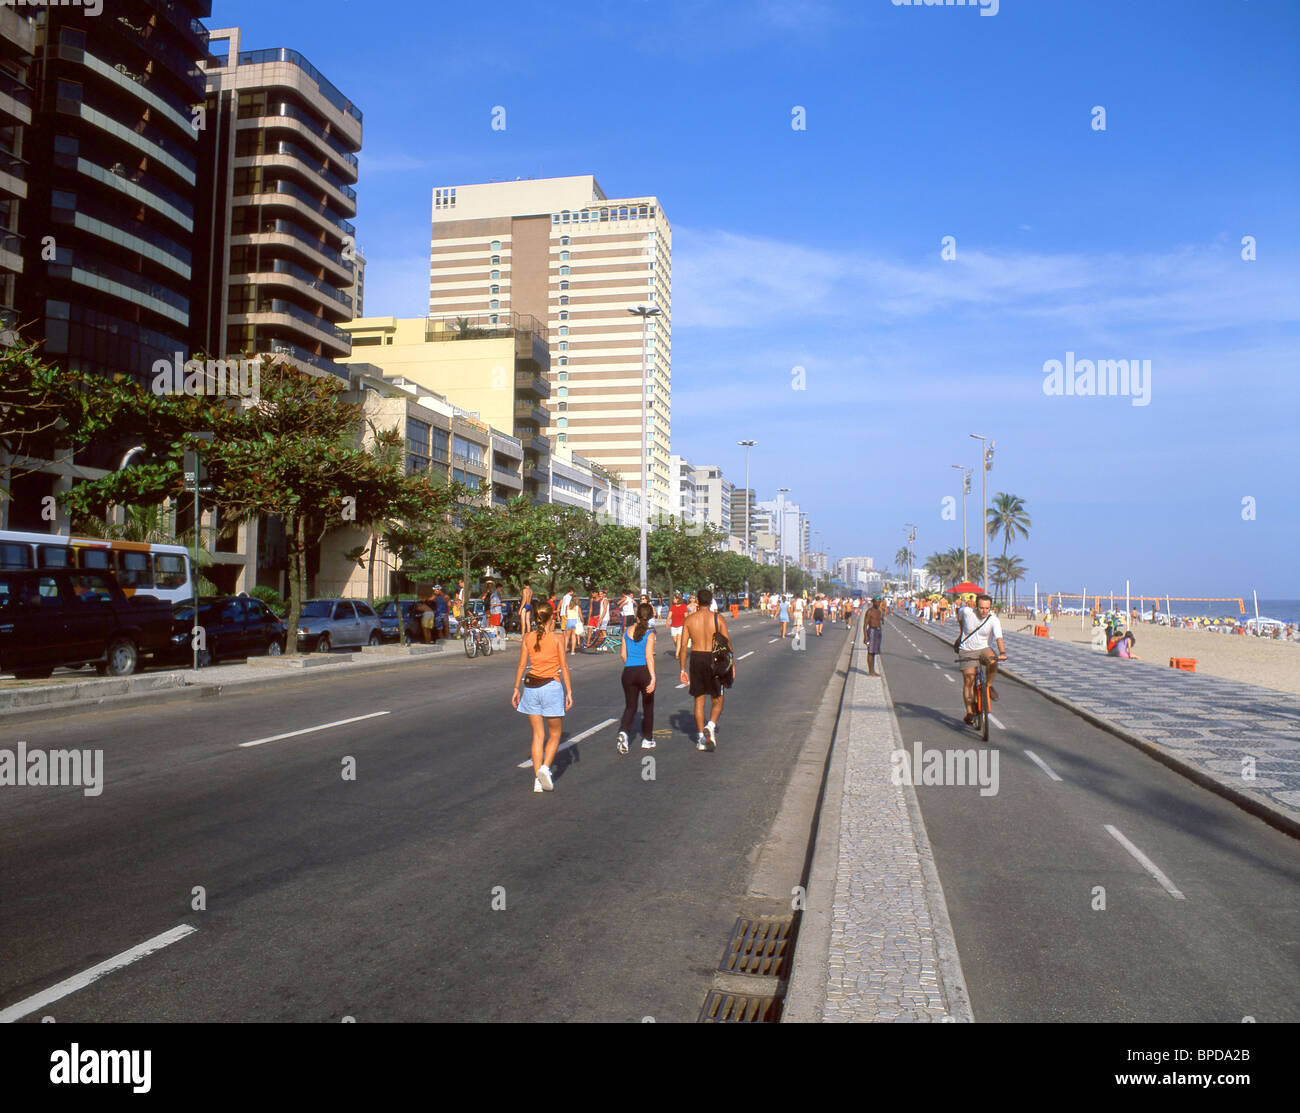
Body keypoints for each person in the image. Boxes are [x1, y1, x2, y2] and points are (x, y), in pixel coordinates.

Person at [511, 601, 573, 793]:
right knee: (555, 734)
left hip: (530, 688)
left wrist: (515, 688)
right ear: (551, 617)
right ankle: (545, 768)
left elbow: (522, 665)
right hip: (551, 687)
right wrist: (569, 691)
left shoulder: (528, 637)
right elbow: (563, 666)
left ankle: (538, 779)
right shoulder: (557, 638)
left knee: (538, 735)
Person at [678, 587, 734, 751]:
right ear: (711, 601)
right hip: (714, 659)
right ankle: (710, 725)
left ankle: (701, 738)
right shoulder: (718, 619)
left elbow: (683, 647)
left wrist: (682, 669)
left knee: (699, 699)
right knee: (718, 699)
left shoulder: (689, 620)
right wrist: (732, 665)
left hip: (696, 658)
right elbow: (727, 644)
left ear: (696, 602)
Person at [953, 593, 1007, 725]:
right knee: (969, 680)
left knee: (993, 661)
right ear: (976, 606)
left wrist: (1002, 652)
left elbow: (999, 638)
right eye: (982, 608)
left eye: (987, 608)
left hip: (984, 648)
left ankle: (988, 686)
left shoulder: (993, 619)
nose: (984, 611)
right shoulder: (966, 612)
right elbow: (958, 613)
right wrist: (961, 632)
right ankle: (970, 712)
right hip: (968, 650)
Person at [617, 602, 658, 754]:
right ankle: (647, 739)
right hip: (644, 672)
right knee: (648, 707)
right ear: (650, 617)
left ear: (637, 616)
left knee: (630, 706)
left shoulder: (627, 631)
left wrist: (630, 664)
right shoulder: (650, 634)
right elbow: (649, 656)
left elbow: (622, 654)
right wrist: (653, 677)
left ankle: (623, 731)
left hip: (628, 672)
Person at [863, 596, 884, 676]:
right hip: (871, 631)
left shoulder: (878, 611)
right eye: (876, 602)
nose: (878, 603)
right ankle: (870, 671)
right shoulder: (870, 611)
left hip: (877, 631)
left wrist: (880, 631)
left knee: (874, 652)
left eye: (879, 602)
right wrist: (865, 637)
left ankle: (873, 671)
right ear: (873, 602)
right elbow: (865, 625)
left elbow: (879, 621)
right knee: (870, 652)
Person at [668, 591, 687, 656]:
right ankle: (679, 649)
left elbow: (686, 616)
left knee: (679, 639)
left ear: (678, 599)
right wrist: (667, 621)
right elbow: (669, 615)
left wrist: (687, 624)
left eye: (674, 598)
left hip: (681, 625)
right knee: (675, 640)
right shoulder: (672, 606)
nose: (673, 600)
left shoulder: (684, 606)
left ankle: (677, 654)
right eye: (673, 598)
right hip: (673, 625)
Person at [565, 589, 582, 655]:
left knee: (567, 637)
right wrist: (582, 621)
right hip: (575, 621)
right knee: (573, 636)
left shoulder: (567, 606)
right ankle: (572, 651)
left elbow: (566, 615)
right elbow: (580, 616)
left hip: (569, 621)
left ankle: (565, 649)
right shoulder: (577, 607)